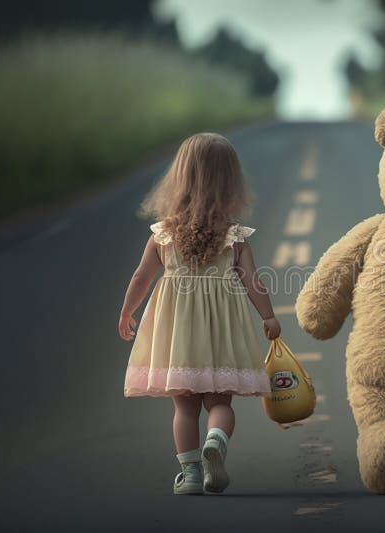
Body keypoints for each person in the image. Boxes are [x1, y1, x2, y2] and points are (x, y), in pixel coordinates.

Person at [118, 133, 281, 495]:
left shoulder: (162, 234)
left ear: (179, 178)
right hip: (222, 330)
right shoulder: (234, 235)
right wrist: (268, 316)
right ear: (230, 182)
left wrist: (128, 310)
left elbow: (141, 277)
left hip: (179, 334)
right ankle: (216, 443)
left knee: (185, 409)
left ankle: (191, 475)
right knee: (220, 401)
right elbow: (253, 280)